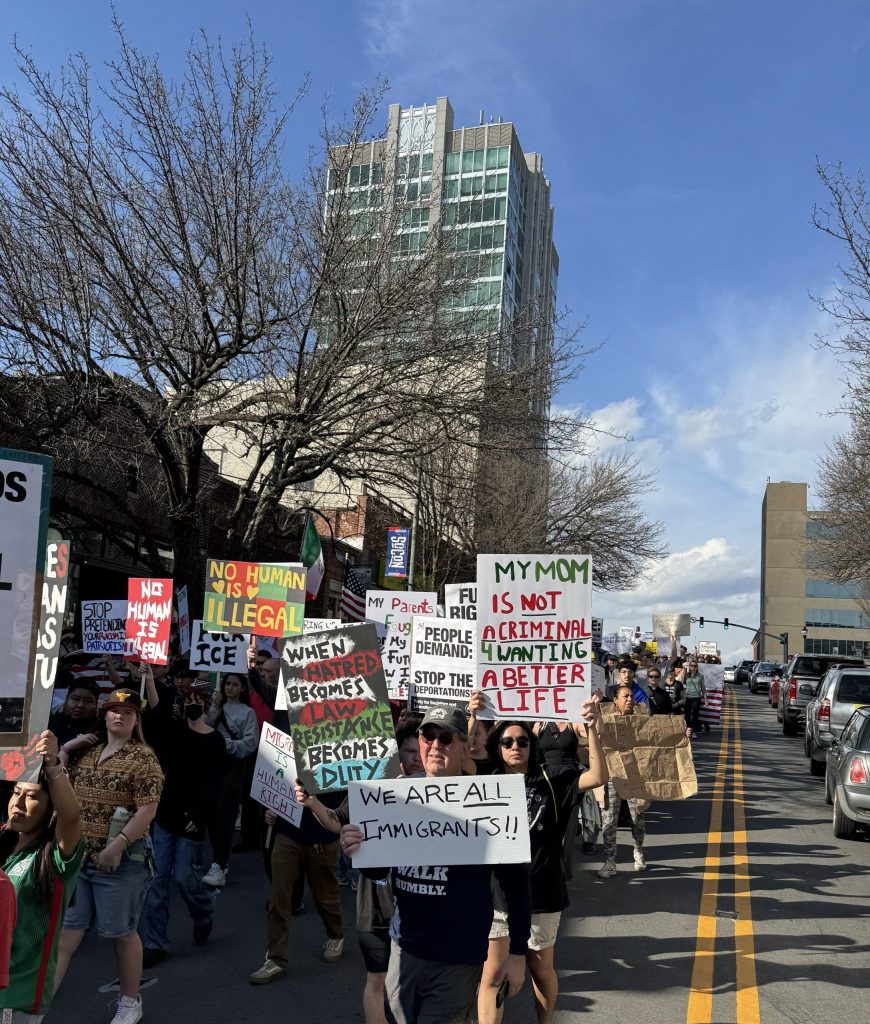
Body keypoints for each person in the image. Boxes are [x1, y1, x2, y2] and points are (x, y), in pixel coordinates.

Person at [341, 706, 532, 1024]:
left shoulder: (490, 801)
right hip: (405, 949)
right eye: (428, 736)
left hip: (458, 957)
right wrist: (357, 849)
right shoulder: (396, 795)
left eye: (446, 738)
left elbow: (516, 884)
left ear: (464, 747)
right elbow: (378, 872)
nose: (435, 745)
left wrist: (518, 952)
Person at [478, 703, 607, 1024]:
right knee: (492, 973)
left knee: (540, 968)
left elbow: (598, 776)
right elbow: (463, 755)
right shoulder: (486, 780)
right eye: (507, 742)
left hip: (542, 891)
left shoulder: (552, 778)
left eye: (522, 741)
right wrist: (472, 716)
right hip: (496, 894)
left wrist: (592, 729)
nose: (515, 747)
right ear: (498, 747)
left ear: (532, 745)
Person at [294, 713, 425, 1024]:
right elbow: (336, 821)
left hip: (418, 907)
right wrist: (312, 803)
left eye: (420, 751)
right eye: (409, 751)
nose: (417, 759)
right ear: (395, 754)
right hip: (375, 905)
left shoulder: (443, 791)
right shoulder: (371, 788)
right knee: (376, 981)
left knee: (415, 983)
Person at [55, 688, 164, 1024]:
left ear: (136, 720)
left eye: (128, 712)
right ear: (104, 716)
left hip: (122, 861)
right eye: (115, 711)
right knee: (68, 933)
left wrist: (117, 846)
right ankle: (35, 1006)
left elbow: (147, 811)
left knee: (121, 932)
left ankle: (130, 1001)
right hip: (81, 858)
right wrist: (65, 749)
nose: (120, 716)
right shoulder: (87, 752)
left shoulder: (143, 758)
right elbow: (61, 789)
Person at [140, 682, 227, 967]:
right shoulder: (172, 732)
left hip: (192, 821)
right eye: (187, 700)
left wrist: (198, 816)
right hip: (165, 817)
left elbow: (213, 784)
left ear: (206, 705)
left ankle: (204, 911)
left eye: (197, 701)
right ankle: (155, 942)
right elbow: (155, 712)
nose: (192, 705)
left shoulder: (215, 741)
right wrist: (148, 679)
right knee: (157, 880)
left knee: (185, 878)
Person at [0, 730, 83, 1022]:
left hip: (16, 996)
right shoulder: (3, 842)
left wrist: (52, 765)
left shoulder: (55, 857)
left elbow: (71, 817)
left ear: (51, 809)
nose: (18, 803)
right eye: (16, 793)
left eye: (32, 796)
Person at [202, 673, 258, 887]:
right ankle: (217, 859)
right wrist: (213, 708)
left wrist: (227, 745)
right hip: (213, 766)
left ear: (242, 688)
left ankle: (220, 863)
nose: (230, 687)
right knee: (211, 813)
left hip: (233, 766)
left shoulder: (248, 712)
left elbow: (250, 742)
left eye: (235, 684)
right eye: (227, 684)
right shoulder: (217, 708)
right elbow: (204, 729)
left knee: (225, 814)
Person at [597, 684, 648, 879]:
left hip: (635, 776)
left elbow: (659, 740)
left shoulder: (641, 719)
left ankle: (638, 850)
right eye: (625, 696)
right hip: (613, 776)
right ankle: (610, 861)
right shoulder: (606, 719)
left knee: (637, 818)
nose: (630, 699)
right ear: (615, 700)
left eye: (632, 696)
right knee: (609, 819)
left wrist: (682, 734)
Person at [47, 679, 100, 747]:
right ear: (66, 699)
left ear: (96, 705)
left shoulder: (101, 731)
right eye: (75, 699)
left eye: (88, 701)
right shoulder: (48, 725)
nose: (80, 705)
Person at [682, 659, 708, 738]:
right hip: (687, 697)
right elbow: (682, 685)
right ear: (689, 667)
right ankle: (688, 729)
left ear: (697, 667)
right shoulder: (686, 675)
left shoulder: (700, 676)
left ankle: (693, 731)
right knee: (687, 715)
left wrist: (706, 699)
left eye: (695, 666)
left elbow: (703, 688)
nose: (693, 667)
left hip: (696, 697)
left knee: (695, 714)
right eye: (692, 666)